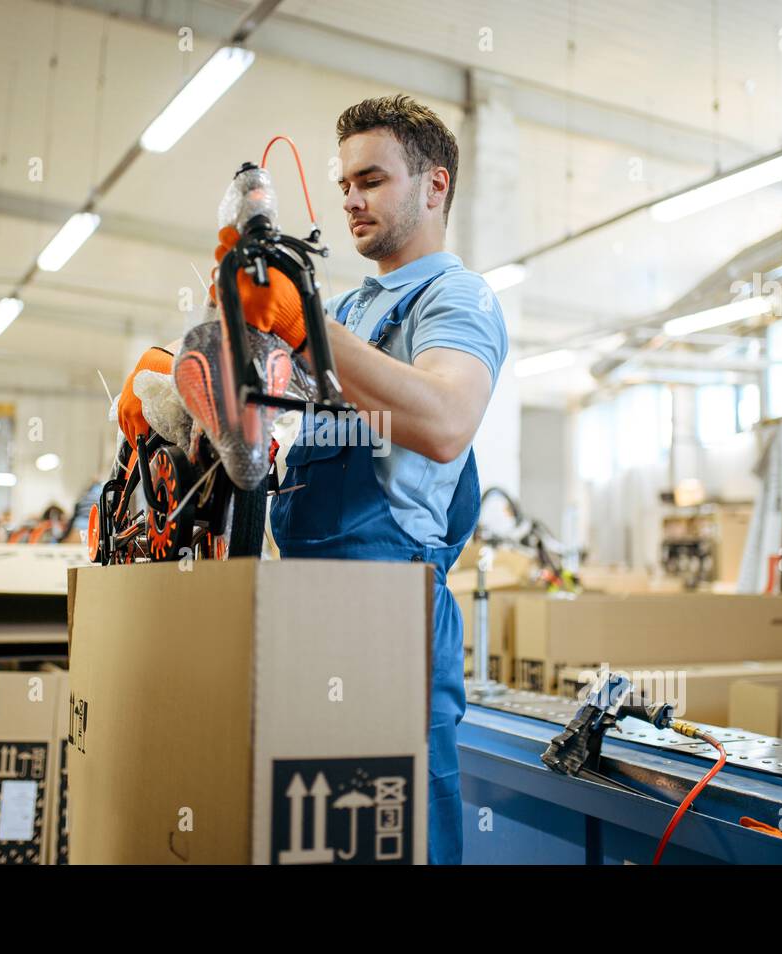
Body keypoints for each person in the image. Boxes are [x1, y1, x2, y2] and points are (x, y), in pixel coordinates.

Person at [118, 95, 507, 864]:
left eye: (372, 180)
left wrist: (304, 325)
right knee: (328, 843)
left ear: (435, 187)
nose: (352, 200)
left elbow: (445, 419)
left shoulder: (456, 298)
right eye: (343, 187)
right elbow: (251, 408)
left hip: (390, 615)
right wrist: (176, 380)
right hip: (310, 605)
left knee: (401, 843)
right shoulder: (356, 306)